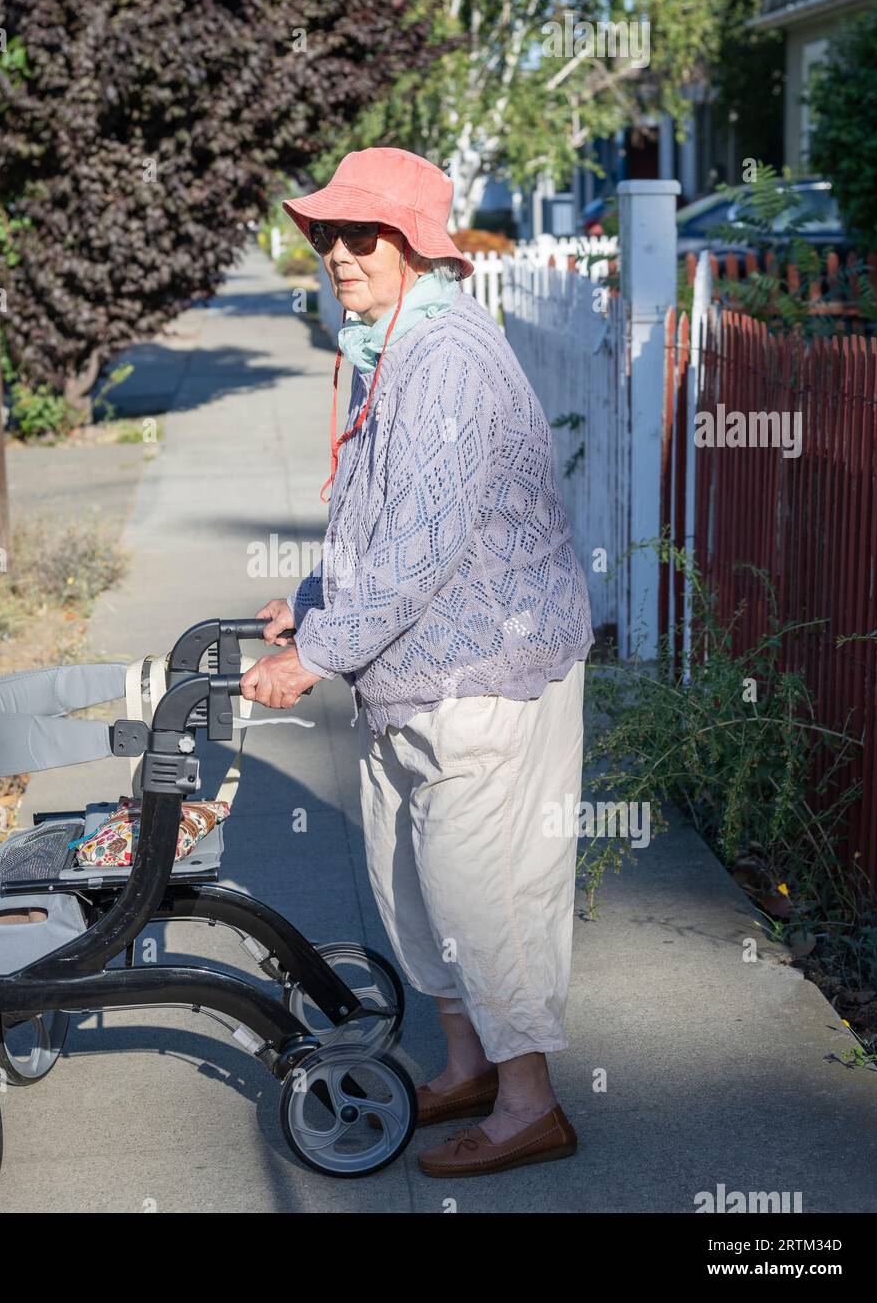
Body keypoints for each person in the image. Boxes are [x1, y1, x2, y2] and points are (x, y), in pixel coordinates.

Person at [241, 146, 593, 1178]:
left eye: (364, 235)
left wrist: (314, 654)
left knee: (480, 891)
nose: (340, 254)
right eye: (327, 236)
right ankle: (468, 1068)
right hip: (409, 671)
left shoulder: (445, 358)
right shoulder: (382, 342)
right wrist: (310, 604)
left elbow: (423, 542)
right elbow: (372, 516)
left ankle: (529, 1104)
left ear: (413, 247)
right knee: (410, 884)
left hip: (482, 664)